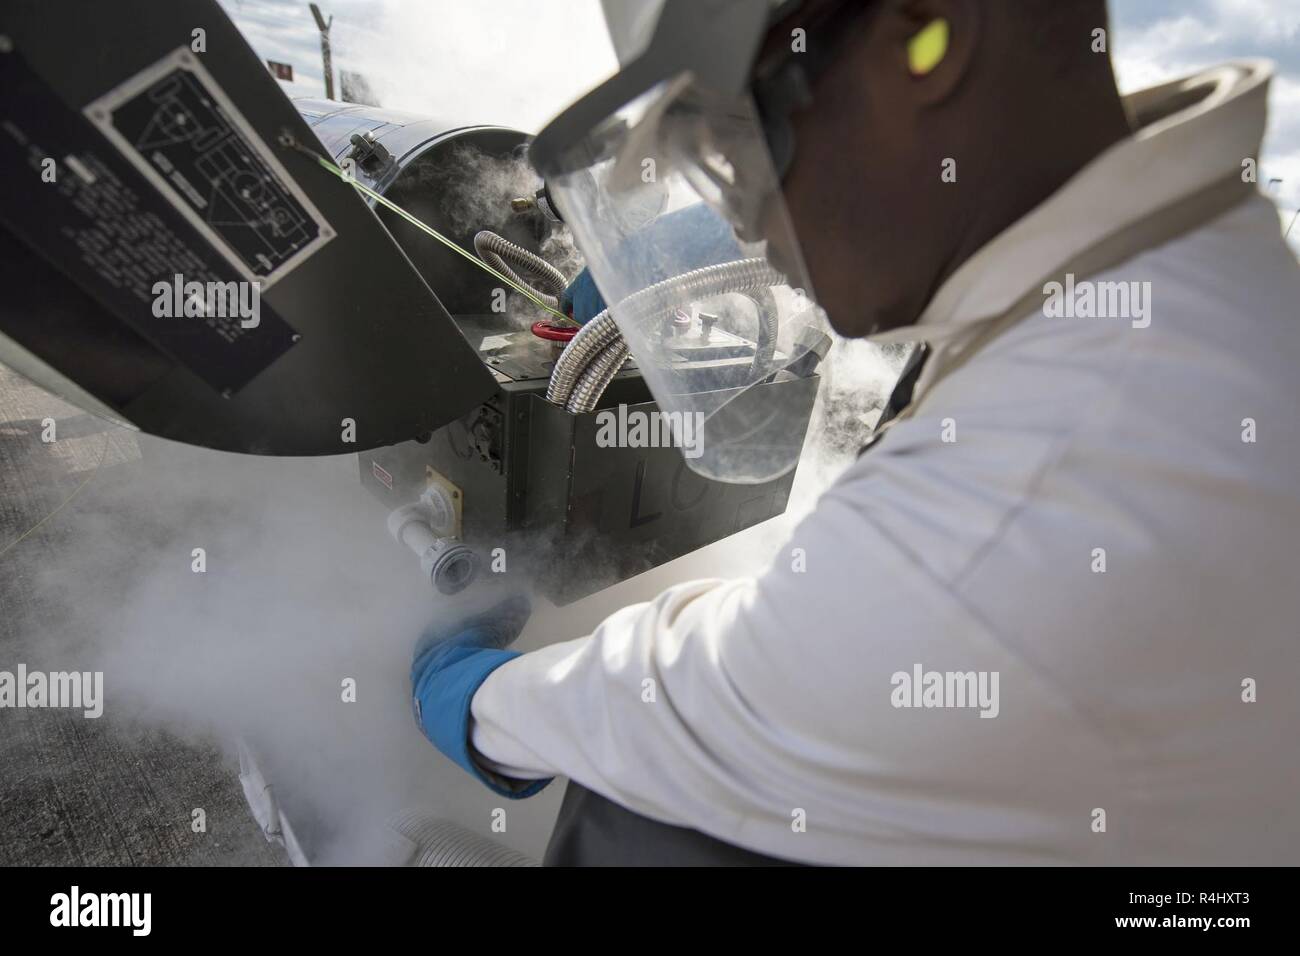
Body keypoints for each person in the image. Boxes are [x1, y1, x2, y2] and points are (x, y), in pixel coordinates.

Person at [412, 0, 1300, 865]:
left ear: (924, 37)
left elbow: (699, 710)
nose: (745, 225)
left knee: (647, 823)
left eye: (737, 153)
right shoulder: (1189, 274)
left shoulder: (1046, 487)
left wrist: (482, 701)